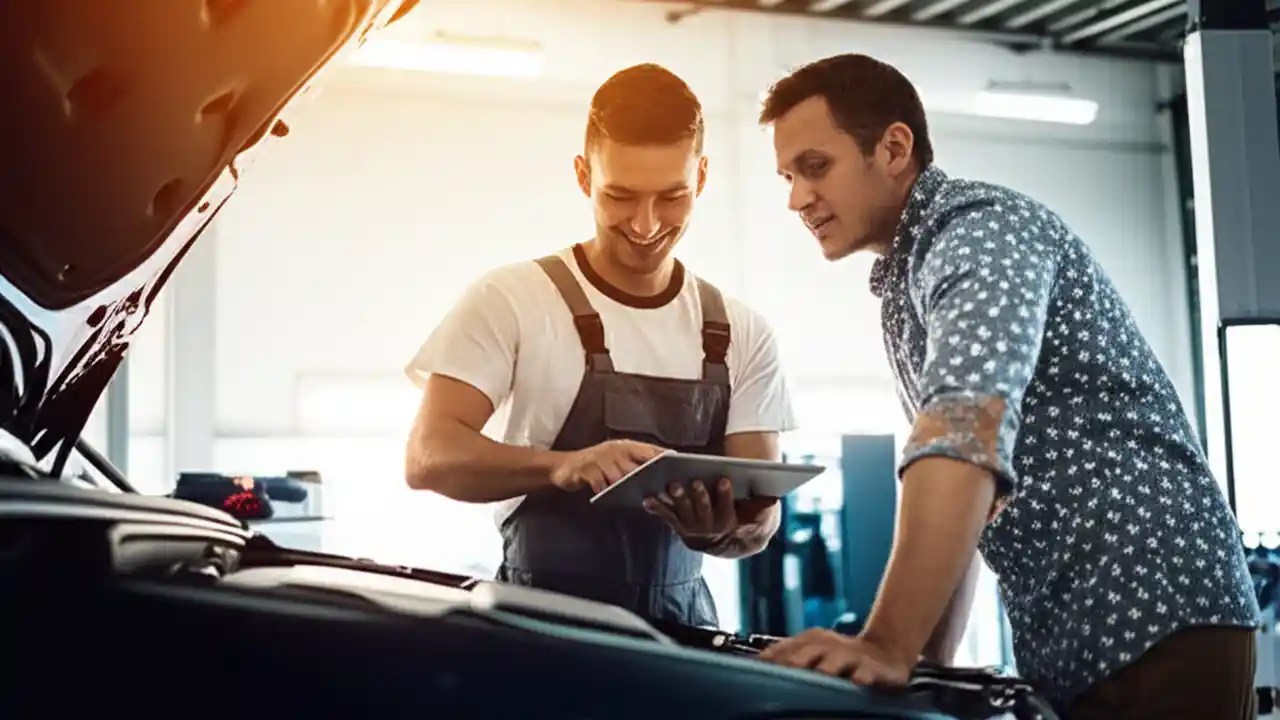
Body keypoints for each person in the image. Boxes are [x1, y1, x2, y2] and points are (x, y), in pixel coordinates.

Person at [752, 53, 1260, 719]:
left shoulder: (982, 233)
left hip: (1156, 615)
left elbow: (963, 437)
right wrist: (923, 665)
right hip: (1083, 640)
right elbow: (970, 493)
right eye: (788, 177)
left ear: (894, 147)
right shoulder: (909, 282)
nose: (796, 198)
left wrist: (886, 641)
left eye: (815, 167)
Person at [402, 63, 796, 629]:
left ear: (702, 178)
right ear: (584, 176)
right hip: (541, 636)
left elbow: (761, 523)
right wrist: (563, 467)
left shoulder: (742, 331)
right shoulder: (512, 299)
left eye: (672, 197)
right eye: (621, 196)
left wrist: (720, 531)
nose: (645, 224)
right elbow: (427, 457)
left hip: (683, 638)